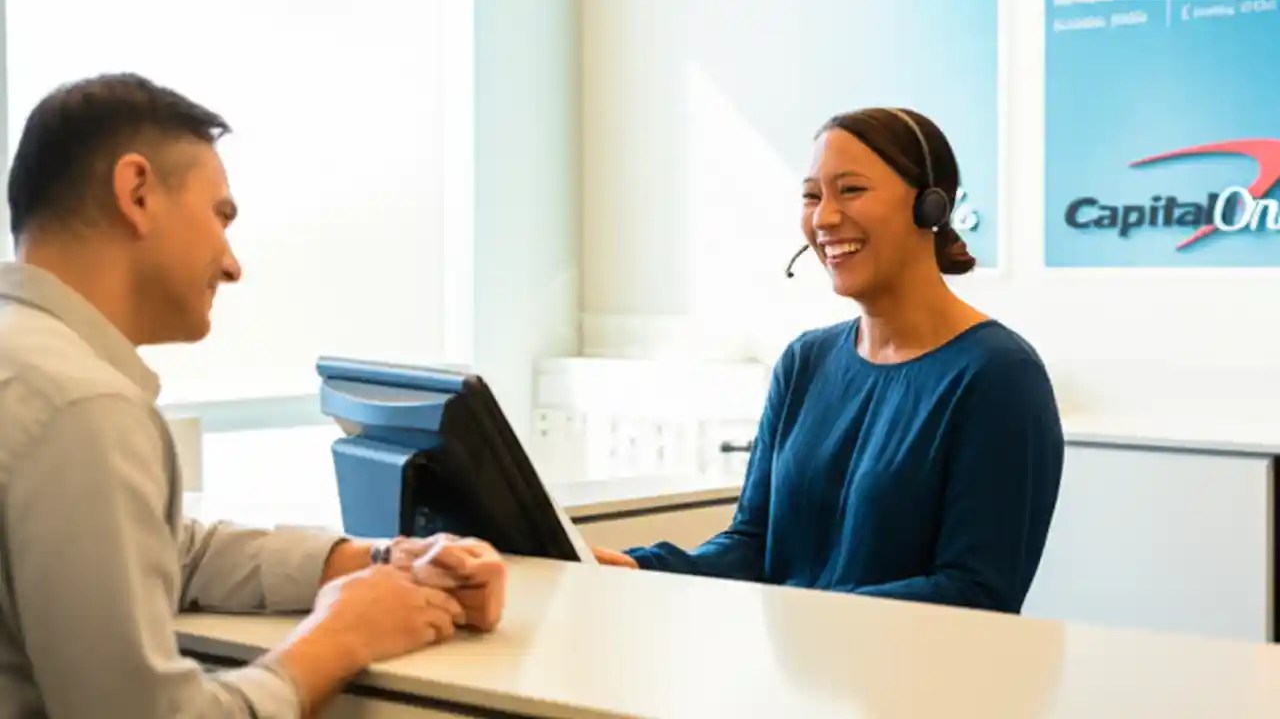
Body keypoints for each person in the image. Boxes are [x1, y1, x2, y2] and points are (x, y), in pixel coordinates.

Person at [0, 73, 506, 719]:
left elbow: (163, 551)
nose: (233, 263)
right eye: (220, 216)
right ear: (137, 191)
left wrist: (376, 560)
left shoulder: (27, 366)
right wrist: (339, 639)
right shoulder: (80, 407)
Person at [595, 107, 1064, 614]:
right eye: (812, 196)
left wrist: (813, 618)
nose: (824, 218)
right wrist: (644, 569)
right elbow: (753, 545)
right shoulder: (803, 362)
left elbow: (975, 594)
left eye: (851, 190)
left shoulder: (999, 375)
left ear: (929, 206)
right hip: (795, 679)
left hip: (911, 686)